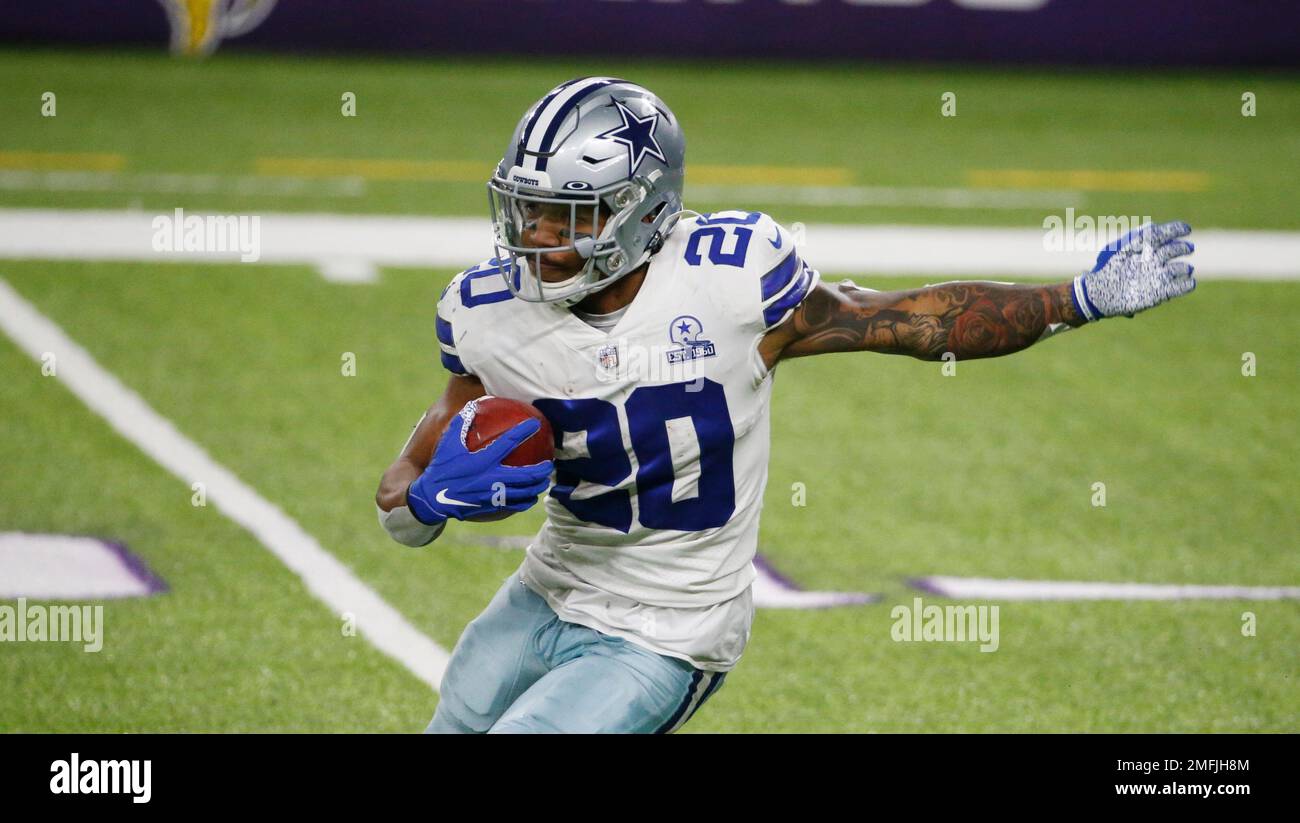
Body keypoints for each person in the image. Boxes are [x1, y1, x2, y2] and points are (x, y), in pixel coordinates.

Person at [375, 77, 1196, 733]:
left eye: (567, 214)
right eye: (527, 207)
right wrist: (423, 500)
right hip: (547, 588)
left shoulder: (730, 284)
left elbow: (913, 321)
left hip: (670, 626)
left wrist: (1075, 298)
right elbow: (411, 478)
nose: (537, 234)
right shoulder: (485, 310)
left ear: (646, 211)